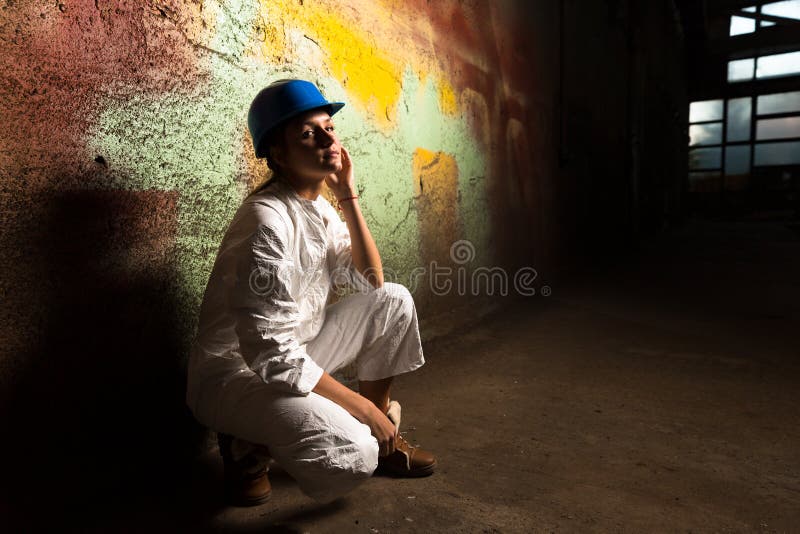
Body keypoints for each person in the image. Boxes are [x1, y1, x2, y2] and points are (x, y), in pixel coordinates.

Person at [186, 79, 436, 506]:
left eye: (329, 127)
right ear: (279, 155)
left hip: (293, 353)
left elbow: (369, 282)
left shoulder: (318, 206)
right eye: (308, 133)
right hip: (236, 376)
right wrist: (360, 407)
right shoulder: (267, 222)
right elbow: (270, 353)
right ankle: (247, 444)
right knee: (356, 452)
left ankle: (384, 440)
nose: (328, 138)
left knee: (393, 299)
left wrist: (347, 195)